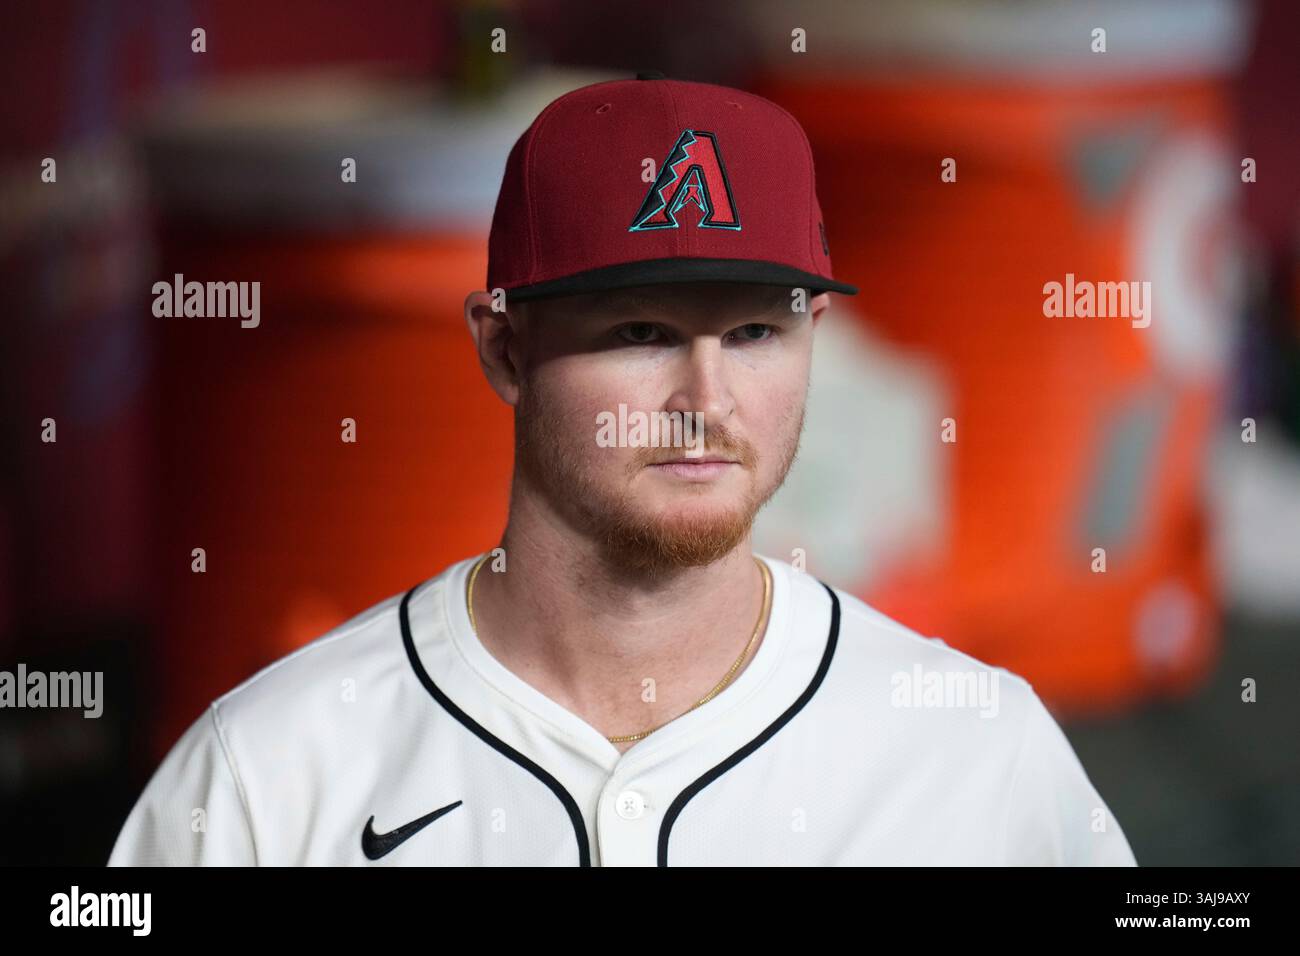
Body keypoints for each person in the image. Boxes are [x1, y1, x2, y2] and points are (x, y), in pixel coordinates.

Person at [108, 73, 1136, 866]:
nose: (706, 395)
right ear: (503, 347)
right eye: (640, 329)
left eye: (752, 330)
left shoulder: (975, 748)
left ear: (817, 332)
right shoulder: (268, 769)